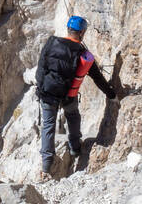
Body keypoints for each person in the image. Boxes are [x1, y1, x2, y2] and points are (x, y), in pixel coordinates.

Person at [34, 15, 116, 180]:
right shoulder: (83, 55)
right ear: (82, 33)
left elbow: (41, 70)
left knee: (48, 127)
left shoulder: (51, 43)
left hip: (48, 93)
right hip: (67, 95)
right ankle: (75, 148)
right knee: (73, 116)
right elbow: (98, 78)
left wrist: (41, 89)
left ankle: (46, 167)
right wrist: (112, 95)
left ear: (68, 29)